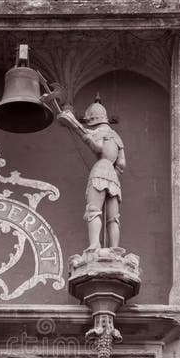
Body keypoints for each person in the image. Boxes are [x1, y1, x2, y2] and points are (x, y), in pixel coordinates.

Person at [57, 96, 125, 250]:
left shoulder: (99, 132)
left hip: (100, 170)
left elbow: (98, 148)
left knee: (93, 210)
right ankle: (114, 248)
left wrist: (84, 135)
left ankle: (95, 244)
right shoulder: (117, 137)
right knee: (114, 218)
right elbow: (121, 163)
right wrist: (112, 173)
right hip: (113, 177)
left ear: (91, 118)